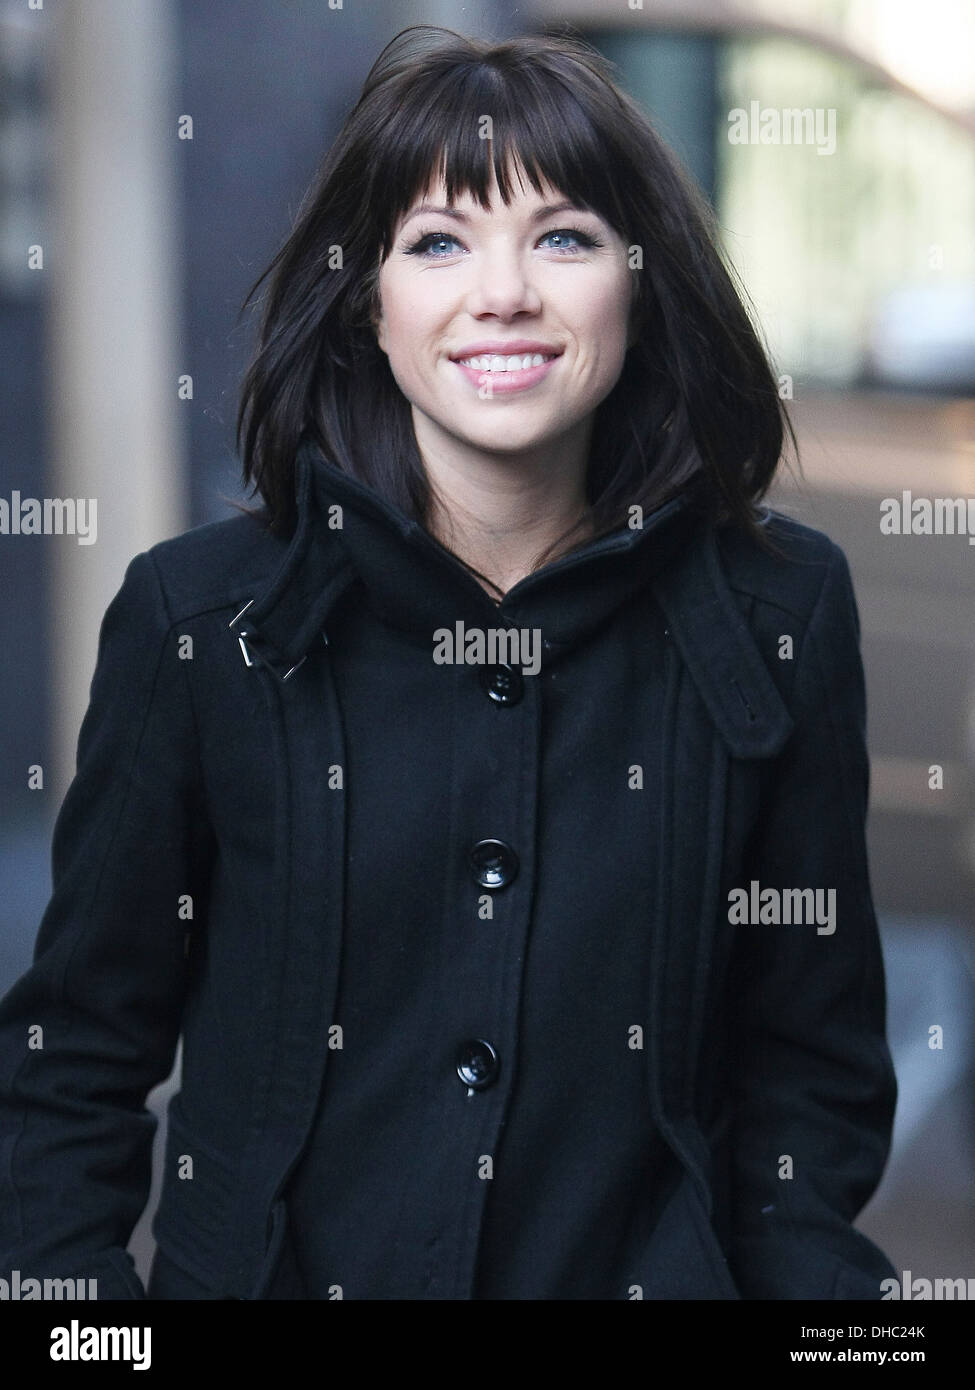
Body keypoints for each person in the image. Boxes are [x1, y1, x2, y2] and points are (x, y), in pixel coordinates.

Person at [0, 24, 897, 1301]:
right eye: (438, 242)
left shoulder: (778, 609)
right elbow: (73, 1057)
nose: (504, 293)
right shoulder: (197, 622)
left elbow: (809, 1076)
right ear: (370, 300)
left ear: (639, 284)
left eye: (565, 236)